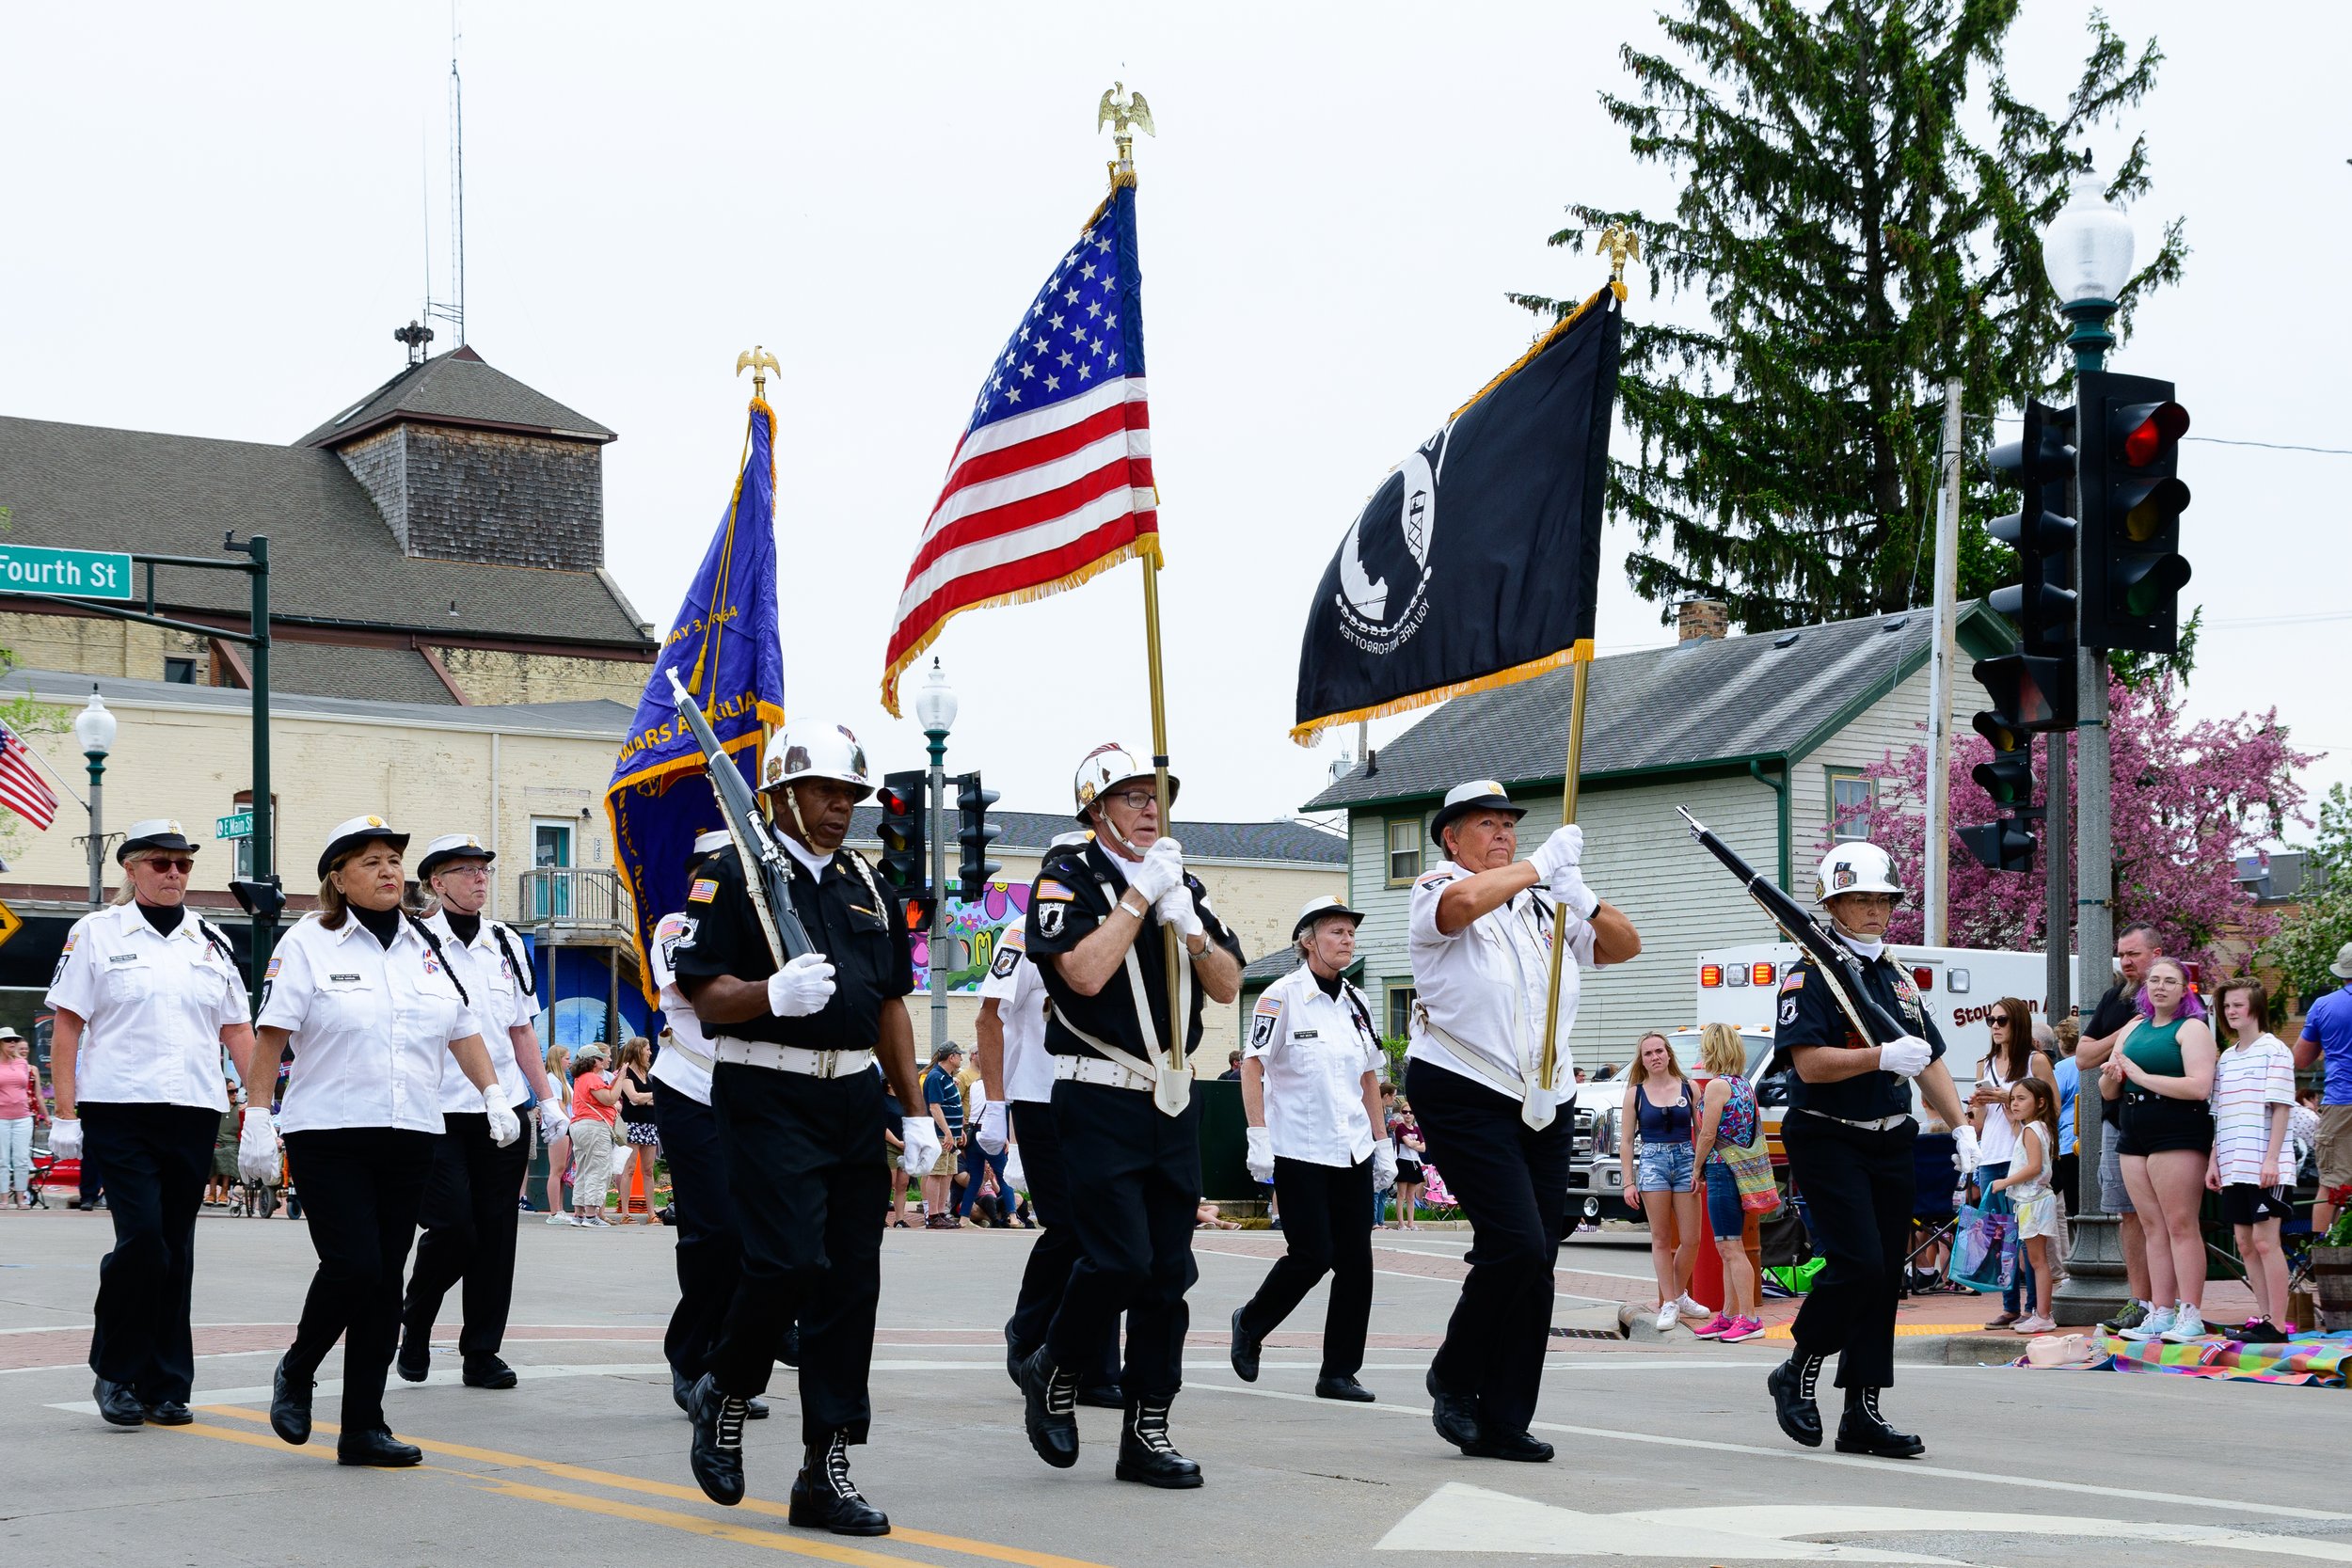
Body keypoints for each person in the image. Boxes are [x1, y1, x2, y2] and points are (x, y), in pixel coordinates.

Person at [670, 721, 938, 1535]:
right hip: (766, 1089)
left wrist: (917, 1109)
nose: (839, 808)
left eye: (850, 794)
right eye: (823, 791)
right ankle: (727, 1381)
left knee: (851, 1285)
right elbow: (706, 998)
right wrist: (768, 993)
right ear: (780, 794)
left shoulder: (869, 882)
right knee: (785, 1260)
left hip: (853, 1098)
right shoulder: (730, 874)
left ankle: (825, 1467)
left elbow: (890, 1000)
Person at [257, 815, 519, 1466]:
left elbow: (462, 1027)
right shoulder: (309, 942)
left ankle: (363, 1425)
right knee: (356, 1265)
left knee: (382, 1283)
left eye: (393, 860)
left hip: (410, 1132)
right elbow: (271, 1034)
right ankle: (298, 1365)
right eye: (369, 861)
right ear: (338, 879)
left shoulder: (423, 946)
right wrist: (258, 1113)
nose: (387, 871)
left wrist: (492, 1092)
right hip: (330, 1132)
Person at [1017, 742, 1243, 1489]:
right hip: (1098, 1090)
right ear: (1096, 811)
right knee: (1116, 1257)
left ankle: (1148, 1430)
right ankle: (1055, 1358)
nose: (1152, 809)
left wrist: (1191, 923)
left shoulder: (1183, 878)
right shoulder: (1066, 878)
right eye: (1133, 796)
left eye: (1158, 796)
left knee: (1168, 1275)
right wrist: (1139, 897)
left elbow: (1227, 985)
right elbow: (1080, 972)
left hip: (1171, 1098)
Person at [1405, 779, 1640, 1462]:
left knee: (1539, 1259)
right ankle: (1453, 1375)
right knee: (1515, 1244)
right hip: (1463, 1082)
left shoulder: (1543, 906)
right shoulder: (1438, 883)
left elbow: (1626, 946)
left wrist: (1581, 896)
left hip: (1546, 1091)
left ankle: (1505, 1415)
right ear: (1452, 836)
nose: (1503, 833)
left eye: (1509, 823)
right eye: (1487, 824)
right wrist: (1538, 863)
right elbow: (1461, 907)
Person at [1764, 840, 1973, 1460]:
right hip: (1828, 1131)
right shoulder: (1812, 972)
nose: (1873, 908)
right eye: (1858, 897)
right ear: (1833, 904)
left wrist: (1960, 1125)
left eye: (1882, 897)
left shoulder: (1896, 975)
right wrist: (1879, 1055)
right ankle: (1798, 1364)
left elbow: (1929, 1057)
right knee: (1856, 1263)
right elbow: (1810, 1063)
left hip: (1891, 1135)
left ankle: (1862, 1411)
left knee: (1886, 1277)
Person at [43, 821, 257, 1426]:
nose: (174, 874)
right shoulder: (96, 934)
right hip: (120, 1109)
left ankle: (165, 1383)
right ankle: (115, 1371)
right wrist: (66, 1113)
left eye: (184, 865)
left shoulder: (210, 941)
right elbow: (67, 1026)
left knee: (176, 1250)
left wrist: (264, 1107)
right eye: (161, 863)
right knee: (141, 1243)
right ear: (131, 869)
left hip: (191, 1110)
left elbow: (237, 1029)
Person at [397, 832, 564, 1389]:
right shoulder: (411, 940)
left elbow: (521, 1031)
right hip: (437, 1107)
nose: (479, 879)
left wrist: (547, 1099)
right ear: (436, 883)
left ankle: (481, 1351)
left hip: (504, 1108)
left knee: (496, 1236)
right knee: (454, 1226)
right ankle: (415, 1321)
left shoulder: (507, 944)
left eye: (484, 870)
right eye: (465, 870)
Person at [977, 832, 1123, 1407]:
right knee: (1069, 1228)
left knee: (1106, 1233)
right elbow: (991, 1019)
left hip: (1104, 1096)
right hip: (1040, 1098)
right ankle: (1028, 1330)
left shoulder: (1111, 929)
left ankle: (1096, 1367)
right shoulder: (1022, 933)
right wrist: (994, 1102)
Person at [1231, 896, 1394, 1403]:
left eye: (1350, 933)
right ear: (1308, 940)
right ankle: (1251, 1322)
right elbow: (1253, 1066)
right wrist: (1257, 1134)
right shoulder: (1280, 997)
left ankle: (1339, 1372)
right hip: (1299, 1146)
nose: (1347, 940)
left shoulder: (1357, 1002)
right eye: (1336, 932)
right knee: (1311, 1254)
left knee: (1356, 1263)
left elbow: (1369, 1076)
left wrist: (1382, 1140)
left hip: (1350, 1146)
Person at [648, 829, 771, 1422]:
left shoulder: (769, 923)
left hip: (755, 1092)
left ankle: (734, 1367)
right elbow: (697, 993)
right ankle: (691, 1358)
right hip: (693, 1087)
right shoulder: (678, 926)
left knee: (759, 1237)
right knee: (713, 1232)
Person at [2105, 958, 2218, 1343]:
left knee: (2181, 1224)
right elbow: (2109, 1089)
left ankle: (2191, 1314)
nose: (2160, 987)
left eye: (2170, 981)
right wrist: (2113, 1078)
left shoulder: (2192, 1028)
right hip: (2133, 1126)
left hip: (2177, 1127)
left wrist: (2140, 1076)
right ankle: (2161, 1310)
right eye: (2154, 980)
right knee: (2151, 1225)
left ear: (2184, 989)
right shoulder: (2134, 1026)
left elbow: (2199, 1087)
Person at [2076, 923, 2162, 1330]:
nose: (2126, 963)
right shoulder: (2114, 998)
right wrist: (2124, 1032)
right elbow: (2082, 1055)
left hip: (2166, 1124)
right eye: (2122, 955)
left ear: (2157, 954)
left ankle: (2171, 1305)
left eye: (2134, 955)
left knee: (2165, 1217)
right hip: (2117, 1122)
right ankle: (2139, 1302)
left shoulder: (2177, 1002)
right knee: (2128, 1214)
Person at [2207, 975, 2294, 1343]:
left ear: (2255, 1008)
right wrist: (2214, 1161)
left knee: (2265, 1242)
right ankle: (2264, 1318)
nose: (2231, 1012)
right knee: (2244, 1243)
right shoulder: (2226, 1057)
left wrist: (2272, 1160)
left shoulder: (2275, 1050)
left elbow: (2281, 1108)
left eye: (2238, 1005)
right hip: (2232, 1165)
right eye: (2227, 1006)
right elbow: (2220, 1113)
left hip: (2264, 1164)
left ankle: (2278, 1324)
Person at [1967, 999, 2056, 1329]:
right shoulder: (1985, 1064)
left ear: (2018, 1024)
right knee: (2001, 1237)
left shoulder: (2037, 1061)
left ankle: (2036, 1307)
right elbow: (1979, 1123)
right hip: (1992, 1154)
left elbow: (2053, 1107)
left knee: (2027, 1238)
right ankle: (2009, 1306)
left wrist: (2004, 1097)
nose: (1995, 1026)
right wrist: (1975, 1106)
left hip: (2023, 1156)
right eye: (1991, 1020)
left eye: (2002, 1020)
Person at [1620, 1031, 1708, 1333]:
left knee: (1692, 1238)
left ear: (1669, 1054)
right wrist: (1628, 1182)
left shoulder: (1690, 1087)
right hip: (1653, 1162)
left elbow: (1704, 1130)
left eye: (1659, 1051)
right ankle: (1668, 1301)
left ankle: (1679, 1294)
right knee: (1660, 1237)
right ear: (1642, 1060)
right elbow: (1628, 1140)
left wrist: (1702, 1167)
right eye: (1648, 1053)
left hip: (1686, 1159)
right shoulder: (1635, 1093)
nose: (1655, 1057)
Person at [1690, 1022, 1764, 1342]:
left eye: (1705, 1046)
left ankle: (1748, 1317)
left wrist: (1695, 1169)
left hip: (1722, 1169)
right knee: (1728, 1246)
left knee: (1730, 1247)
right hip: (1741, 1171)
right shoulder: (1744, 1084)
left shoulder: (1718, 1086)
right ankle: (1729, 1314)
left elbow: (1708, 1133)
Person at [1985, 1079, 2059, 1334]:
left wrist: (2004, 1182)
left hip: (2032, 1200)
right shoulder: (2036, 1128)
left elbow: (2034, 1166)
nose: (2014, 1103)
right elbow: (2029, 1156)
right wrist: (2011, 1121)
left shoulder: (2032, 1129)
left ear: (2040, 1102)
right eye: (2013, 1098)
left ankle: (2044, 1315)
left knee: (2037, 1262)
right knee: (2036, 1260)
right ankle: (2041, 1313)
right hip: (2033, 1200)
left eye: (2021, 1099)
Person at [2295, 942, 2352, 1235]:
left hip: (2341, 1102)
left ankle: (2321, 1260)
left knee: (2331, 1182)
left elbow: (2301, 1059)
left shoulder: (2324, 1006)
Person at [568, 1043, 621, 1227]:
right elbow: (610, 1099)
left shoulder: (581, 1078)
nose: (605, 1060)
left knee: (582, 1169)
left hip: (580, 1126)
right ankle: (591, 1216)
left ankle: (579, 1214)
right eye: (600, 1058)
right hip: (594, 1127)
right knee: (598, 1168)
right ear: (593, 1061)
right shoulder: (591, 1077)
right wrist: (621, 1078)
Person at [922, 1042, 967, 1227]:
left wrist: (959, 1130)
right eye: (959, 1055)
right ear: (951, 1057)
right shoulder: (936, 1077)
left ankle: (941, 1212)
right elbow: (935, 1107)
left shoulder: (948, 1077)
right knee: (937, 1173)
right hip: (940, 1134)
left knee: (948, 1173)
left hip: (951, 1135)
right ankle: (933, 1215)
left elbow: (953, 1105)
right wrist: (948, 1132)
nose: (961, 1058)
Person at [614, 1037, 660, 1222]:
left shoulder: (646, 1073)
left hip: (650, 1123)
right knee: (630, 1168)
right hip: (632, 1123)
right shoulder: (626, 1073)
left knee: (648, 1169)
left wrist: (644, 1099)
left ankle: (651, 1213)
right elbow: (633, 1097)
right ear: (638, 1050)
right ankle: (625, 1212)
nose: (650, 1052)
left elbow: (642, 1099)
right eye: (647, 1049)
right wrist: (653, 1095)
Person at [0, 1027, 40, 1210]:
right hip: (1, 1116)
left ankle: (21, 1198)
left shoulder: (22, 1063)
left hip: (23, 1116)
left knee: (22, 1158)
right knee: (1, 1159)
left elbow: (30, 1089)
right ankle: (4, 1199)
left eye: (14, 1040)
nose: (12, 1043)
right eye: (8, 1040)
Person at [2049, 1018, 2083, 1213]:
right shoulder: (2095, 1064)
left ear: (2062, 1043)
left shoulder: (2060, 1069)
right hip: (2093, 1139)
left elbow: (2054, 1102)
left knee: (2071, 1202)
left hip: (2068, 1140)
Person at [540, 1044, 574, 1225]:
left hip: (564, 1126)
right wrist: (570, 1122)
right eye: (567, 1058)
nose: (570, 1062)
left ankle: (559, 1208)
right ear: (558, 1059)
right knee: (557, 1169)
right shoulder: (552, 1079)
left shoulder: (562, 1080)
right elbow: (559, 1105)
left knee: (561, 1171)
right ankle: (554, 1211)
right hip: (558, 1126)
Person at [1391, 1096, 1426, 1229]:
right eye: (1405, 1112)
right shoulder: (1400, 1128)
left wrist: (1414, 1144)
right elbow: (1408, 1143)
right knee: (1401, 1194)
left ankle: (1411, 1223)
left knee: (1411, 1195)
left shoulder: (1417, 1129)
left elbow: (1423, 1148)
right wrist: (1415, 1143)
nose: (1408, 1115)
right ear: (1401, 1113)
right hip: (1403, 1161)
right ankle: (1401, 1223)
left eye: (1410, 1112)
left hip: (1414, 1162)